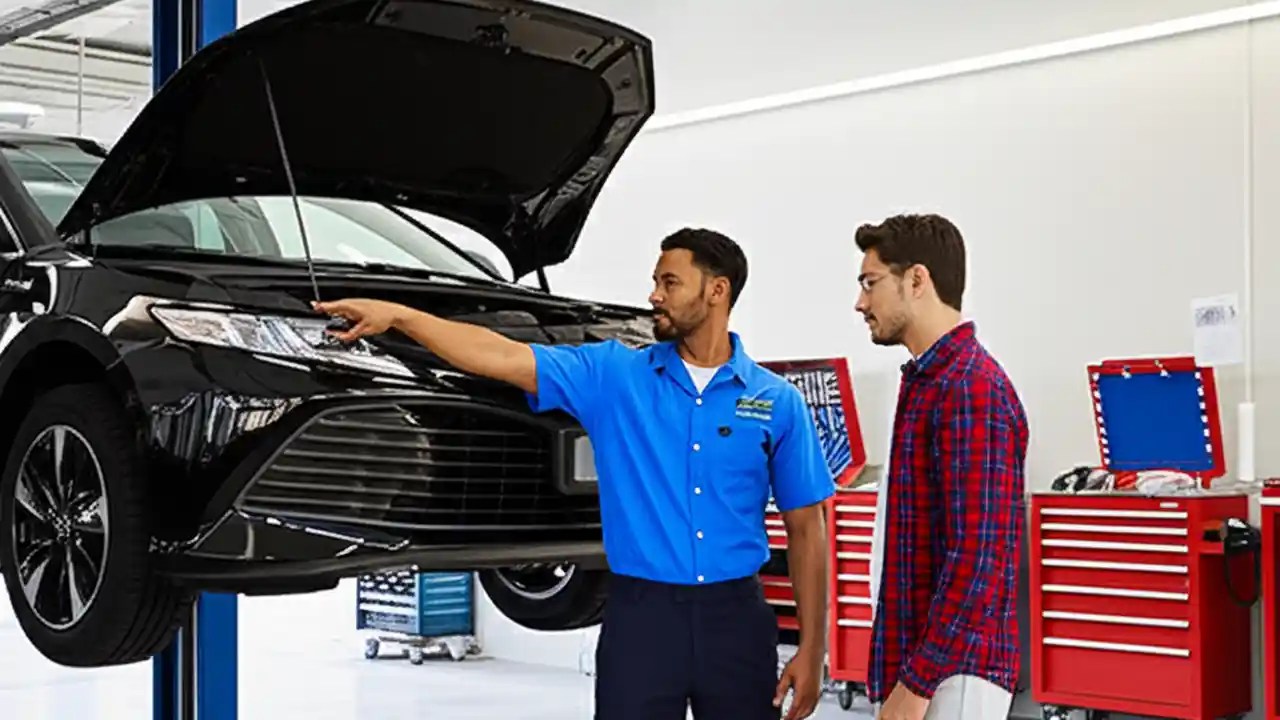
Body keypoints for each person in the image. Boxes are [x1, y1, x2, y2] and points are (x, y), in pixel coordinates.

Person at [313, 228, 836, 720]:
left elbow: (807, 529)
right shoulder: (613, 375)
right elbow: (498, 355)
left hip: (737, 619)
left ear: (717, 291)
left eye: (670, 282)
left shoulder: (775, 401)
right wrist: (403, 316)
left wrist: (813, 649)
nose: (654, 295)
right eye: (655, 281)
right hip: (641, 618)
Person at [852, 214, 1028, 720]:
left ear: (917, 280)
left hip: (954, 677)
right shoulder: (930, 380)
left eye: (871, 283)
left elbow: (978, 560)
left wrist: (917, 683)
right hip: (926, 665)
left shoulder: (972, 388)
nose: (861, 302)